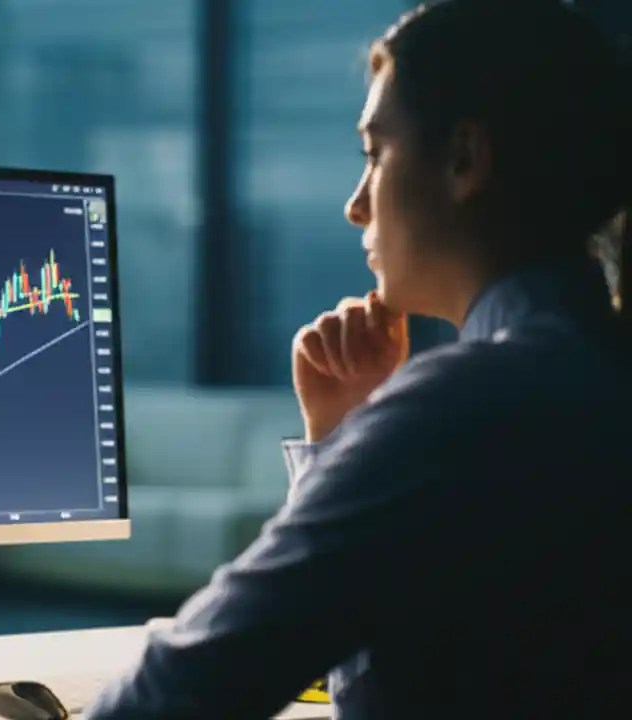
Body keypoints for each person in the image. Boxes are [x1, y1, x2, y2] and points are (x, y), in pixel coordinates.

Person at [86, 1, 632, 718]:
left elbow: (179, 693)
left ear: (465, 159)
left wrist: (378, 434)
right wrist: (351, 433)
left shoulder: (465, 408)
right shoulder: (589, 371)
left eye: (375, 155)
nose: (355, 205)